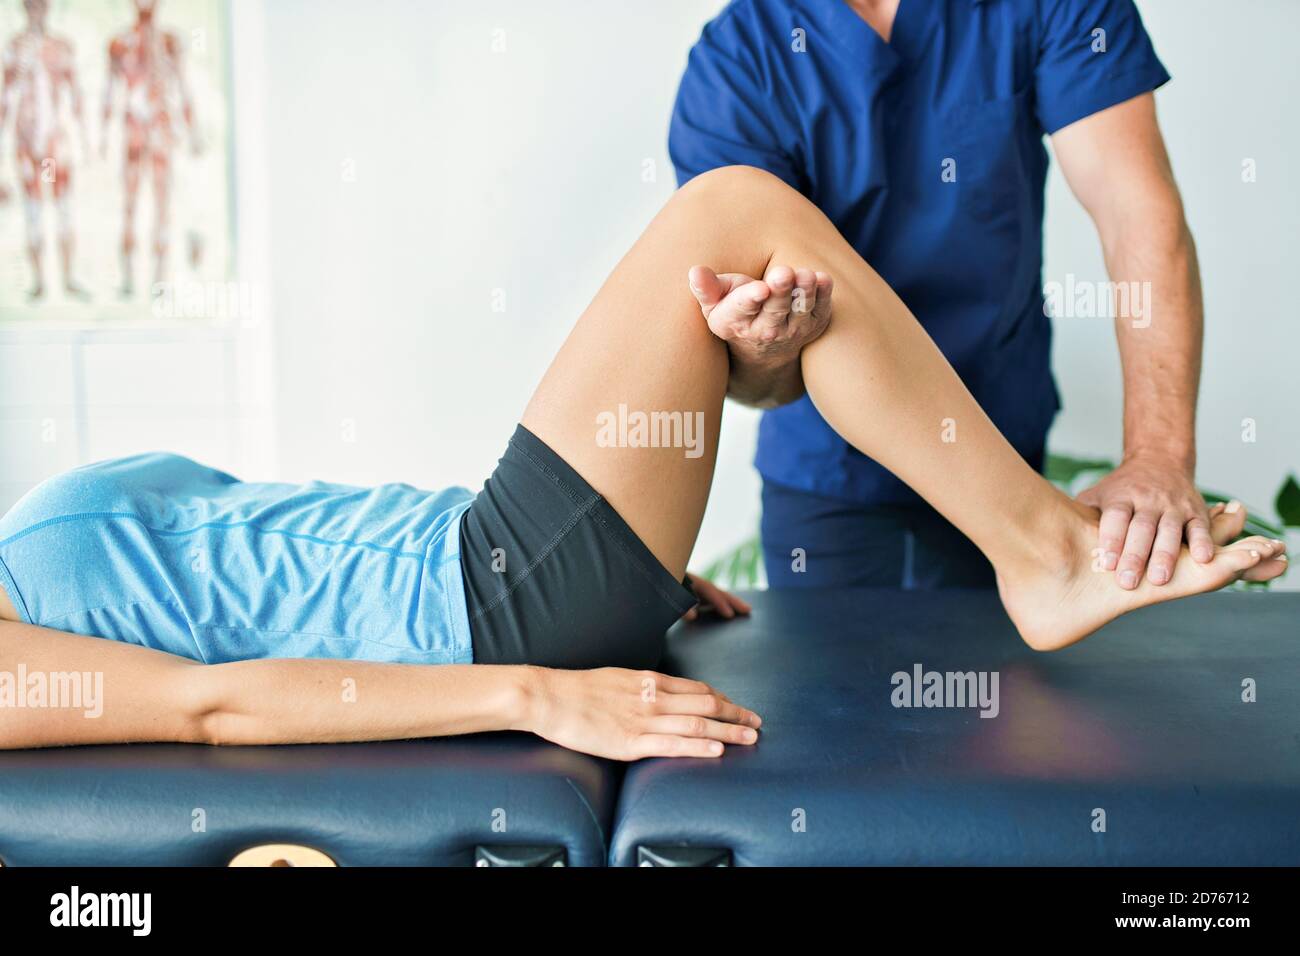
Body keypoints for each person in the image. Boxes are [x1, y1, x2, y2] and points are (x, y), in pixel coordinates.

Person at [0, 167, 1285, 759]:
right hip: (496, 604)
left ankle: (1041, 544)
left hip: (506, 567)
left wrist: (616, 562)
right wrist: (537, 694)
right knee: (731, 209)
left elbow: (281, 552)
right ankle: (1047, 553)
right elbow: (208, 703)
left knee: (751, 261)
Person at [671, 0, 1210, 595]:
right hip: (829, 478)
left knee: (1006, 686)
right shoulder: (739, 60)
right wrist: (765, 345)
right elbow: (753, 371)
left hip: (1005, 452)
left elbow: (1135, 215)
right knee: (824, 685)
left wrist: (1159, 454)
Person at [0, 0, 88, 300]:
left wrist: (85, 141)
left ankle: (68, 278)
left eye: (40, 5)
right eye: (31, 5)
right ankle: (39, 281)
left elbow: (75, 95)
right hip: (27, 143)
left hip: (52, 144)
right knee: (34, 211)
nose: (36, 11)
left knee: (62, 208)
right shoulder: (15, 47)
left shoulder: (60, 47)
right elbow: (5, 98)